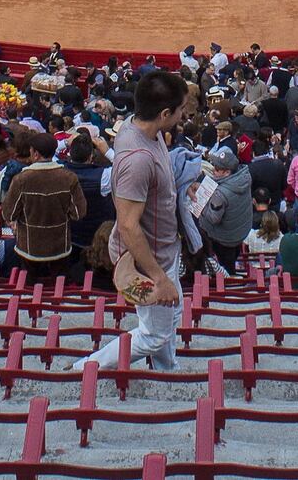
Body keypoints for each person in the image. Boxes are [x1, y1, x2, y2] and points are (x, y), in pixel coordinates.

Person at [73, 70, 190, 372]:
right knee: (153, 334)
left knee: (170, 315)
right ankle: (86, 368)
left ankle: (166, 370)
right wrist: (159, 278)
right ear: (164, 114)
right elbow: (128, 225)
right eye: (180, 109)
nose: (183, 114)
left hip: (163, 246)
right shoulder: (139, 160)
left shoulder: (134, 127)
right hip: (150, 257)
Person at [2, 127, 87, 277]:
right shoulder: (69, 178)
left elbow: (9, 213)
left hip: (29, 249)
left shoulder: (21, 179)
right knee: (58, 286)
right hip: (60, 247)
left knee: (31, 287)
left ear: (35, 153)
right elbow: (79, 213)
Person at [195, 146, 253, 273]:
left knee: (225, 270)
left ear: (227, 172)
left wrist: (201, 203)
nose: (213, 170)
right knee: (231, 262)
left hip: (223, 238)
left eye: (217, 169)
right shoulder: (244, 178)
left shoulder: (221, 194)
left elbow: (213, 218)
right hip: (239, 232)